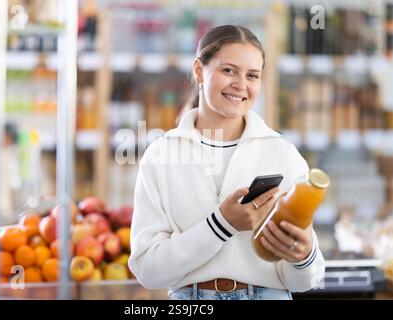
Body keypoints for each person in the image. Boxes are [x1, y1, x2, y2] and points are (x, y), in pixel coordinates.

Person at [128, 25, 325, 300]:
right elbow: (148, 270)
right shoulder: (161, 155)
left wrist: (304, 256)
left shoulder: (283, 154)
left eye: (252, 75)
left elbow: (304, 281)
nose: (241, 84)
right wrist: (221, 224)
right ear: (199, 71)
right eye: (229, 70)